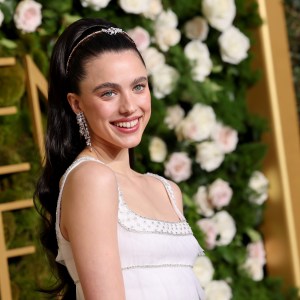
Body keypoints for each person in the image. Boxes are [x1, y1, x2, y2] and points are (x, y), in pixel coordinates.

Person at [34, 17, 205, 300]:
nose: (129, 107)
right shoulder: (91, 178)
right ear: (76, 103)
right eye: (109, 92)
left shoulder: (167, 191)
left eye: (138, 87)